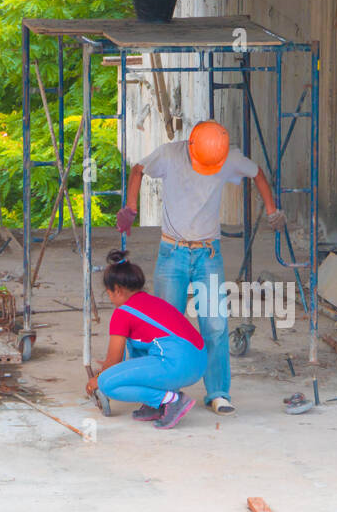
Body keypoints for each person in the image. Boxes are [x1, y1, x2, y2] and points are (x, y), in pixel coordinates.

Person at [117, 119, 286, 415]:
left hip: (208, 255)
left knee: (216, 325)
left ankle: (218, 393)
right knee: (161, 327)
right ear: (192, 147)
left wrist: (272, 211)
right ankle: (161, 396)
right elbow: (138, 169)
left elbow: (257, 173)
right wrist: (131, 207)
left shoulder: (226, 155)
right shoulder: (170, 155)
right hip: (172, 254)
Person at [86, 249, 207, 429]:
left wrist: (97, 378)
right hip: (198, 363)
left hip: (175, 364)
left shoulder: (122, 313)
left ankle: (172, 400)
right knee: (138, 353)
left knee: (107, 383)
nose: (110, 299)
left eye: (109, 293)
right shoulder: (152, 301)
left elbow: (114, 361)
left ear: (117, 290)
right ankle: (155, 405)